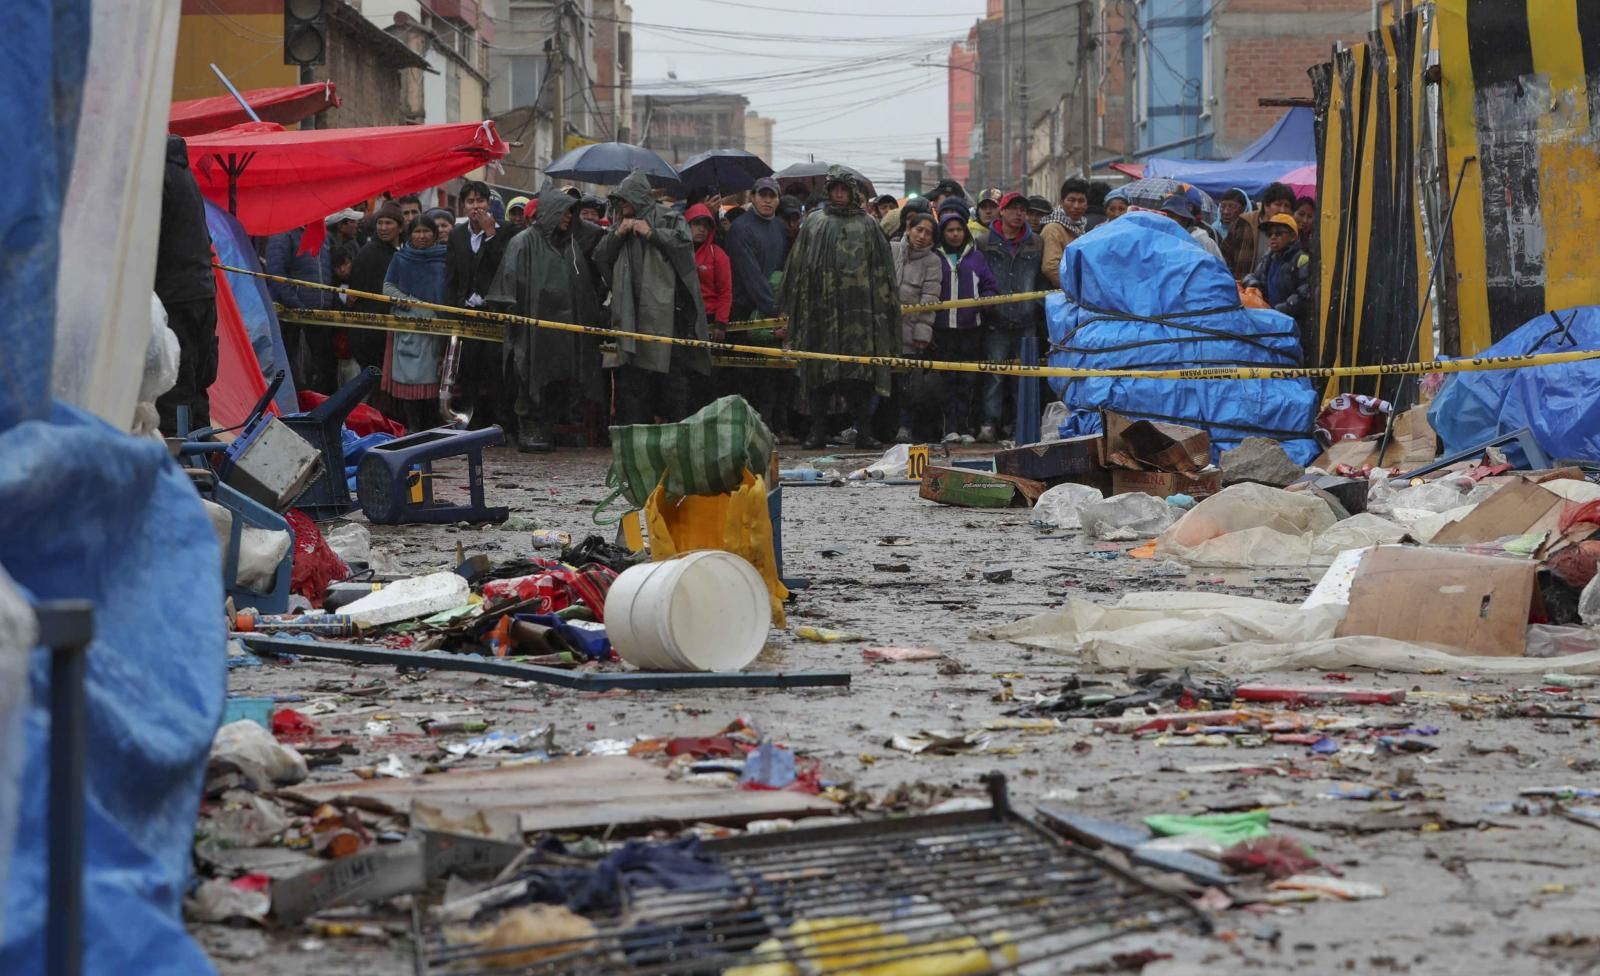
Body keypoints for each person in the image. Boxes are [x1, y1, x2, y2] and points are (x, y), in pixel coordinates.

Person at [783, 165, 900, 450]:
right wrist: (792, 305)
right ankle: (817, 431)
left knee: (858, 375)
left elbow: (883, 271)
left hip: (859, 315)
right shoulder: (815, 222)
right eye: (834, 188)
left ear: (852, 192)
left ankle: (864, 431)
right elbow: (797, 265)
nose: (838, 194)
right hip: (821, 312)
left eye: (843, 189)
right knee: (819, 375)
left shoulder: (869, 225)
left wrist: (884, 310)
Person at [485, 187, 607, 452]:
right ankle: (529, 426)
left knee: (566, 377)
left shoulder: (571, 246)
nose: (568, 218)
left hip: (566, 329)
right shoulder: (523, 242)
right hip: (533, 327)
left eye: (571, 213)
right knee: (529, 375)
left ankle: (557, 426)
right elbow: (507, 283)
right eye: (565, 212)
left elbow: (582, 286)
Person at [593, 170, 711, 425]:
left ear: (637, 198)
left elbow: (683, 248)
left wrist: (652, 234)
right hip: (630, 315)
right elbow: (600, 257)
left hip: (669, 318)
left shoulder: (670, 218)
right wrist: (618, 235)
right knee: (634, 385)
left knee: (672, 384)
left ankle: (677, 437)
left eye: (625, 199)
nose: (621, 205)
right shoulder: (619, 225)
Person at [154, 135, 218, 435]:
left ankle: (178, 469)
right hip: (202, 292)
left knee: (172, 387)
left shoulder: (157, 176)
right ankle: (202, 466)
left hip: (174, 296)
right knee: (196, 387)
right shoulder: (183, 174)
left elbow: (146, 239)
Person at [975, 192, 1044, 443]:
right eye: (1013, 209)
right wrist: (987, 308)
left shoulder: (1036, 242)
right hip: (996, 321)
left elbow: (1041, 278)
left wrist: (1036, 306)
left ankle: (1020, 424)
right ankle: (990, 422)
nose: (1019, 214)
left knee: (1024, 376)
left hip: (1026, 320)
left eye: (1022, 210)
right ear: (1001, 211)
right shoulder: (984, 242)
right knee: (994, 375)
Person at [932, 202, 999, 444]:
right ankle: (949, 427)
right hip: (943, 329)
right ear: (942, 233)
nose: (955, 234)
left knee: (970, 380)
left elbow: (990, 285)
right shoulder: (934, 257)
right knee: (948, 381)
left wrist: (985, 302)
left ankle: (967, 427)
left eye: (958, 230)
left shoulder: (977, 257)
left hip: (972, 328)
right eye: (949, 230)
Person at [445, 180, 510, 423]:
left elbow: (504, 269)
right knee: (467, 370)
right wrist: (453, 308)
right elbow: (451, 277)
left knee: (495, 371)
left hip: (493, 315)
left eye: (480, 201)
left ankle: (498, 422)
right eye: (471, 202)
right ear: (463, 206)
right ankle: (470, 421)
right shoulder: (456, 235)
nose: (476, 207)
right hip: (465, 314)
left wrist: (490, 233)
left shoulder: (503, 232)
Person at [380, 217, 450, 431]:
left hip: (436, 330)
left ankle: (430, 427)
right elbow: (388, 287)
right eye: (417, 231)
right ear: (409, 234)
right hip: (408, 330)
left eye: (426, 231)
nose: (421, 236)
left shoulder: (445, 258)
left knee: (432, 382)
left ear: (434, 233)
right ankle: (412, 428)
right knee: (408, 382)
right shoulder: (400, 258)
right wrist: (412, 304)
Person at [889, 211, 945, 442]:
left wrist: (922, 333)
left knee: (907, 386)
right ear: (908, 229)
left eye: (928, 233)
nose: (921, 236)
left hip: (910, 332)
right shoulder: (891, 249)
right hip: (883, 329)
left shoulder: (933, 261)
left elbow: (930, 298)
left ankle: (905, 427)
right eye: (918, 229)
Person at [265, 225, 329, 393]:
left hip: (319, 319)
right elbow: (276, 274)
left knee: (315, 374)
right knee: (294, 373)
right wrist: (297, 305)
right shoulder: (283, 234)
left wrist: (327, 302)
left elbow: (326, 274)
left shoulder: (320, 233)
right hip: (292, 320)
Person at [348, 200, 405, 371]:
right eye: (380, 223)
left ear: (400, 228)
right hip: (370, 331)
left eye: (389, 223)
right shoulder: (368, 253)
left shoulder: (402, 253)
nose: (383, 227)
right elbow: (355, 294)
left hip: (393, 329)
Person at [1244, 213, 1313, 344]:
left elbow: (1304, 295)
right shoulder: (1269, 258)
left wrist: (1277, 311)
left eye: (1279, 233)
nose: (1273, 237)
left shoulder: (1302, 259)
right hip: (1271, 322)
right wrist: (1254, 286)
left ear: (1293, 237)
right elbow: (1251, 276)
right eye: (1270, 234)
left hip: (1294, 327)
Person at [1224, 181, 1295, 280]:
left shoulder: (1292, 231)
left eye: (1287, 206)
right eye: (1278, 204)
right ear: (1266, 205)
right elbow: (1225, 256)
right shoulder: (1244, 223)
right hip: (1243, 289)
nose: (1282, 210)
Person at [688, 204, 732, 332]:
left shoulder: (718, 255)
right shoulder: (676, 252)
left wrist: (720, 323)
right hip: (680, 318)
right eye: (697, 224)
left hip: (709, 318)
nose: (702, 229)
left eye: (706, 226)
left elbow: (725, 292)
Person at [1040, 177, 1090, 289]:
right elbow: (1051, 267)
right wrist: (1076, 289)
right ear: (1062, 202)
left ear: (1087, 204)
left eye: (1081, 201)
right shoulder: (1053, 228)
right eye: (1071, 200)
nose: (1076, 206)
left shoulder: (1081, 227)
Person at [1157, 194, 1225, 261]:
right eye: (1165, 216)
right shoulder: (1164, 238)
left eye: (1171, 216)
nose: (1167, 219)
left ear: (1185, 219)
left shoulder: (1202, 241)